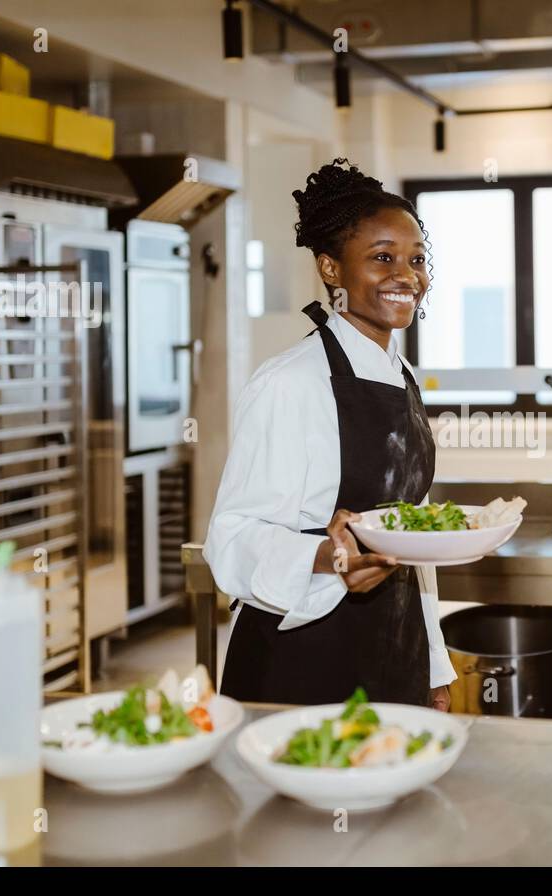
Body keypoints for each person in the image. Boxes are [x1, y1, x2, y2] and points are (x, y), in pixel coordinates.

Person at [204, 157, 455, 709]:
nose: (407, 276)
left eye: (416, 259)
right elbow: (232, 537)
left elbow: (416, 543)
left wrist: (434, 664)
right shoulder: (290, 383)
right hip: (304, 658)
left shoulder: (403, 376)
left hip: (395, 648)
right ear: (331, 270)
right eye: (382, 258)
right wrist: (328, 557)